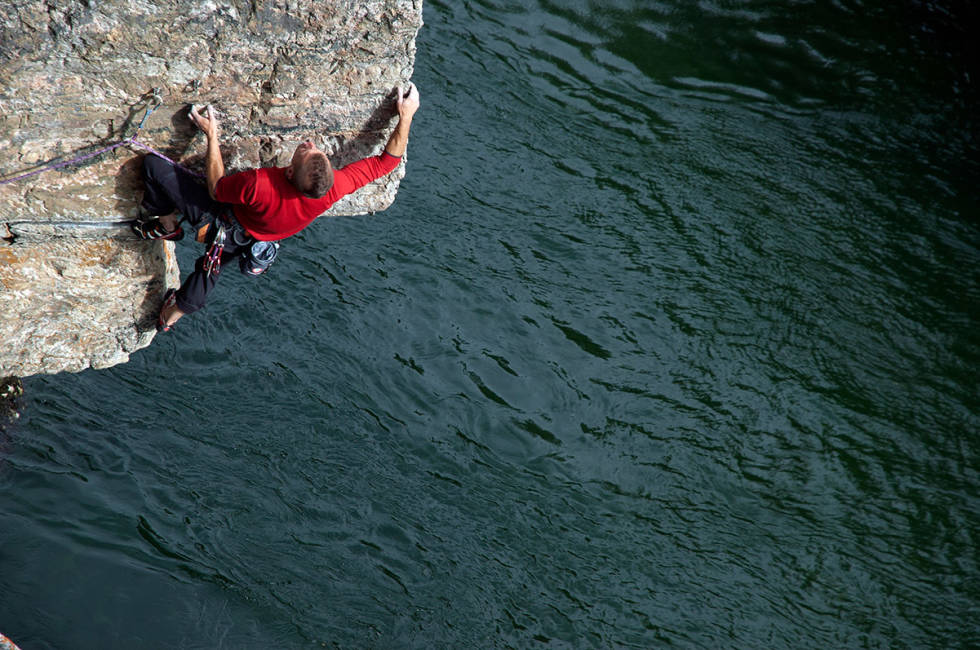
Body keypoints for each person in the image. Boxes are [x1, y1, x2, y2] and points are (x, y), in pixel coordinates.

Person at [133, 83, 420, 331]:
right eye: (313, 148)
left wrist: (212, 136)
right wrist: (405, 116)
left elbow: (217, 188)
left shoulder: (261, 184)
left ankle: (169, 225)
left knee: (153, 166)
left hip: (222, 221)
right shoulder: (333, 189)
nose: (308, 143)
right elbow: (387, 162)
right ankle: (170, 317)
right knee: (211, 269)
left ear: (291, 174)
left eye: (305, 151)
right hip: (253, 239)